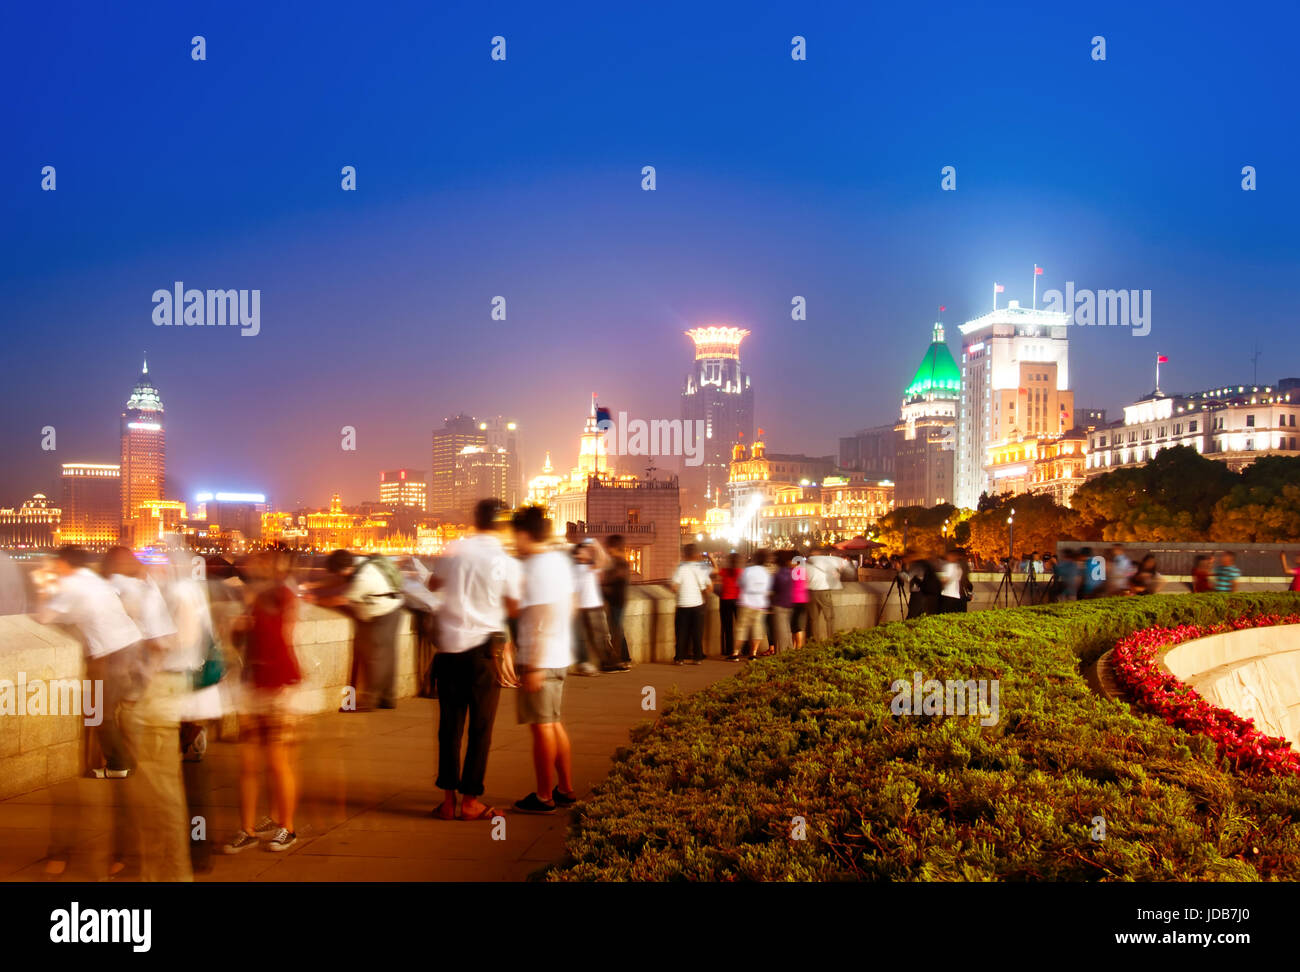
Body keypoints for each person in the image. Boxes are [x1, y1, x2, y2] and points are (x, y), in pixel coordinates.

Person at [36, 546, 145, 878]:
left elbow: (44, 618)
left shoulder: (70, 585)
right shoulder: (94, 580)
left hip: (109, 654)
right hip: (129, 647)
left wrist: (44, 586)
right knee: (103, 710)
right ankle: (114, 762)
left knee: (97, 712)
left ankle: (117, 762)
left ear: (63, 564)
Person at [428, 499, 521, 822]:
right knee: (481, 728)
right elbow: (512, 606)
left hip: (450, 650)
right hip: (485, 653)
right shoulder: (506, 561)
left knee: (449, 728)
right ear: (502, 525)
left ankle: (448, 800)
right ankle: (470, 801)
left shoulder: (456, 549)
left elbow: (433, 584)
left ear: (475, 519)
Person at [224, 551, 301, 854]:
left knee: (277, 760)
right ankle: (247, 829)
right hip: (252, 683)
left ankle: (288, 827)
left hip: (278, 684)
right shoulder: (255, 597)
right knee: (248, 763)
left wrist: (247, 613)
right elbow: (242, 639)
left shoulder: (280, 595)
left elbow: (277, 634)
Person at [511, 506, 578, 815]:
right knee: (553, 722)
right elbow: (572, 605)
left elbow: (540, 613)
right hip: (559, 653)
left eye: (515, 534)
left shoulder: (537, 566)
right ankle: (564, 789)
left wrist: (534, 663)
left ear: (525, 534)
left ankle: (543, 797)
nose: (513, 540)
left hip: (543, 658)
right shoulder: (559, 561)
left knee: (542, 727)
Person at [316, 548, 405, 710]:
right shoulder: (360, 563)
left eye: (338, 573)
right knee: (387, 657)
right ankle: (387, 699)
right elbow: (339, 582)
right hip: (390, 611)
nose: (338, 576)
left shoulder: (363, 578)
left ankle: (368, 701)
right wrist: (314, 584)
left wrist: (315, 599)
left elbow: (340, 599)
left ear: (343, 569)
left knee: (376, 657)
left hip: (383, 615)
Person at [573, 538, 627, 673]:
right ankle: (590, 664)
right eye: (585, 551)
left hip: (594, 605)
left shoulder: (590, 567)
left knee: (602, 637)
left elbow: (605, 560)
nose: (588, 553)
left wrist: (595, 545)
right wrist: (595, 545)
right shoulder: (578, 568)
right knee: (584, 638)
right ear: (578, 553)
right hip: (581, 607)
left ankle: (608, 663)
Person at [671, 543, 711, 665]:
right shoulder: (702, 567)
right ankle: (697, 657)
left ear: (684, 554)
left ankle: (679, 657)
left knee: (681, 632)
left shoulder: (681, 568)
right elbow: (709, 587)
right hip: (698, 604)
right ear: (696, 554)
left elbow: (674, 587)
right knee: (697, 632)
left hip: (683, 604)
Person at [733, 549, 773, 660]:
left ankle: (736, 653)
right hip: (760, 603)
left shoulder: (748, 570)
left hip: (746, 601)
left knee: (741, 628)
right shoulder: (766, 573)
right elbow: (768, 588)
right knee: (757, 628)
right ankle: (753, 653)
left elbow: (740, 583)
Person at [601, 535, 633, 666]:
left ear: (614, 547)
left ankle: (622, 659)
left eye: (609, 547)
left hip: (617, 601)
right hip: (617, 601)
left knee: (617, 631)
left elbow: (613, 581)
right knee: (617, 629)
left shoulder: (619, 563)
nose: (607, 549)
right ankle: (624, 658)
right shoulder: (619, 562)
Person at [807, 546, 848, 641]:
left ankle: (815, 641)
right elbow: (844, 566)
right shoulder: (827, 561)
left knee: (814, 619)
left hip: (811, 592)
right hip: (823, 590)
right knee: (829, 617)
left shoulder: (807, 562)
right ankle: (830, 638)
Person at [714, 552, 742, 658]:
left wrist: (712, 560)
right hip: (738, 600)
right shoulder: (740, 572)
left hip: (725, 600)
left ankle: (729, 650)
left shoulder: (725, 571)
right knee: (740, 627)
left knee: (727, 627)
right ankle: (741, 649)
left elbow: (715, 572)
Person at [770, 550, 795, 653]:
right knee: (787, 630)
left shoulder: (778, 574)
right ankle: (789, 650)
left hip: (779, 604)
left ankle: (781, 653)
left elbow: (773, 588)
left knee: (780, 631)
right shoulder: (791, 572)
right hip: (789, 603)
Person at [790, 554, 810, 648]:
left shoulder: (793, 571)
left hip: (795, 600)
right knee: (801, 625)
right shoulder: (805, 571)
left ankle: (797, 646)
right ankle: (799, 646)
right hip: (804, 599)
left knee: (795, 626)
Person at [939, 548, 966, 613]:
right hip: (956, 595)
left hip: (948, 594)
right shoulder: (958, 567)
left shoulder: (950, 566)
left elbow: (947, 580)